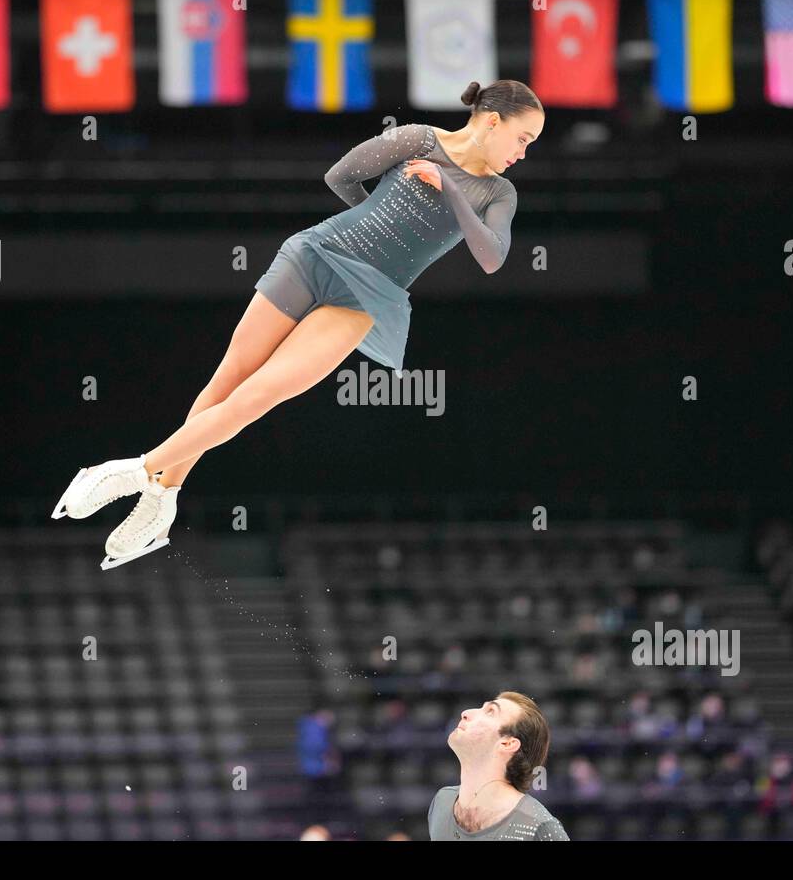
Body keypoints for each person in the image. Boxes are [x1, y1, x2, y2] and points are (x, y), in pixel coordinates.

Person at [52, 79, 545, 568]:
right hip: (316, 254)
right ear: (492, 121)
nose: (523, 154)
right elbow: (340, 176)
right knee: (229, 378)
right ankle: (162, 500)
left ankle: (136, 470)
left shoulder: (498, 193)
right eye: (523, 139)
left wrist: (448, 192)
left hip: (365, 296)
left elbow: (491, 257)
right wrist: (375, 223)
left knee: (259, 395)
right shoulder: (417, 139)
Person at [427, 691, 569, 841]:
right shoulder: (442, 802)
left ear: (507, 743)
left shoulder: (538, 827)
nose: (465, 713)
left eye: (490, 712)